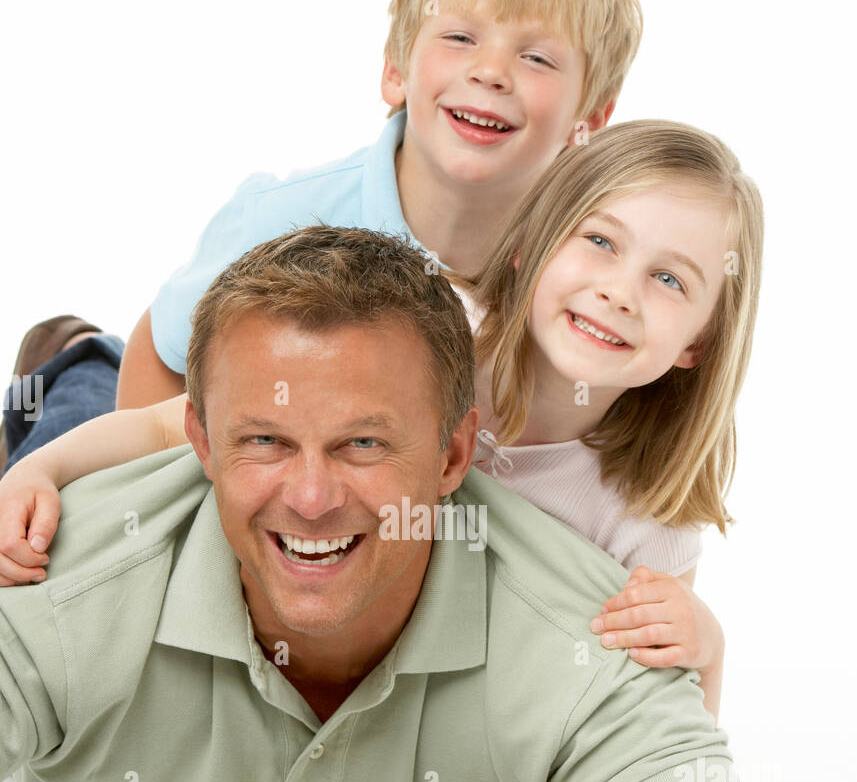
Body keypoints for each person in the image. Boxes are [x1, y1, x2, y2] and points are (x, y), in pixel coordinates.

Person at [0, 226, 809, 782]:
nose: (311, 499)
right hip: (99, 461)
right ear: (201, 442)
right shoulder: (71, 563)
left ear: (457, 453)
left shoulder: (587, 631)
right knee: (64, 422)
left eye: (364, 444)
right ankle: (80, 361)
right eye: (265, 440)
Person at [0, 120, 759, 733]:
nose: (620, 292)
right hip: (184, 444)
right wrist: (37, 472)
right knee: (98, 446)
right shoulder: (427, 341)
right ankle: (79, 361)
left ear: (697, 340)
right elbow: (168, 431)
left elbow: (666, 743)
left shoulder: (644, 512)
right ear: (528, 247)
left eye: (668, 280)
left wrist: (710, 646)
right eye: (599, 241)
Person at [0, 0, 639, 451]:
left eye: (535, 57)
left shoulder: (582, 272)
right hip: (200, 428)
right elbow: (165, 353)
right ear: (395, 70)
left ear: (590, 119)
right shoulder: (283, 218)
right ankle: (78, 361)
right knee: (64, 480)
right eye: (460, 37)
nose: (492, 71)